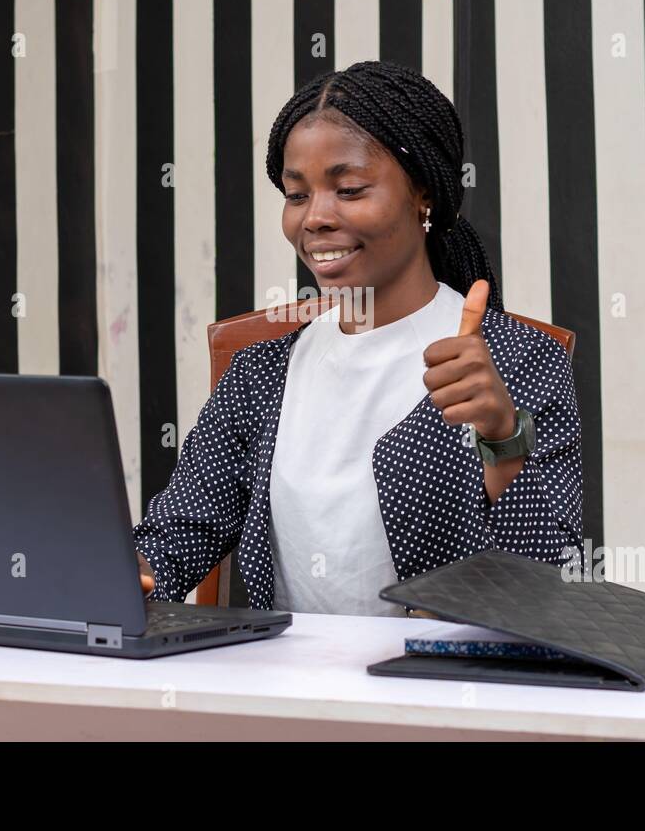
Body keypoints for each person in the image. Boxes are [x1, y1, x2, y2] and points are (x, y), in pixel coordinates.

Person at [134, 59, 583, 616]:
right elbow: (176, 536)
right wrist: (129, 572)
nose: (315, 218)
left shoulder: (513, 362)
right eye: (297, 196)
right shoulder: (261, 374)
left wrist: (504, 439)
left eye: (348, 189)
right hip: (291, 692)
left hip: (445, 690)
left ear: (423, 196)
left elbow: (554, 587)